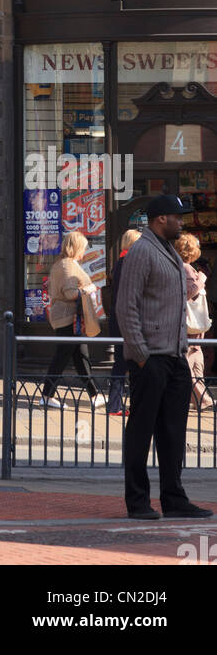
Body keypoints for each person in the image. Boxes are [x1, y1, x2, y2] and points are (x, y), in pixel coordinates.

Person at [116, 194, 213, 520]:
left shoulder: (168, 251)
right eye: (177, 217)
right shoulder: (142, 251)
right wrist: (141, 354)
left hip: (175, 356)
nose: (182, 222)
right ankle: (138, 501)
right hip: (152, 358)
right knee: (141, 431)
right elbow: (125, 306)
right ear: (161, 219)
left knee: (173, 432)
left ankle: (174, 498)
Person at [40, 231, 104, 408]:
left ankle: (94, 395)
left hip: (70, 318)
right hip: (69, 318)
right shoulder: (68, 265)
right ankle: (46, 396)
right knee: (63, 357)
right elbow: (70, 293)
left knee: (80, 357)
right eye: (82, 247)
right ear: (75, 247)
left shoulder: (63, 264)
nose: (84, 250)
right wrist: (89, 289)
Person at [176, 232, 215, 412]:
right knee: (190, 362)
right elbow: (190, 291)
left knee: (196, 360)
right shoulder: (186, 269)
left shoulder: (184, 267)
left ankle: (194, 399)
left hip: (192, 324)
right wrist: (202, 279)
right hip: (190, 324)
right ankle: (203, 399)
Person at [106, 229, 141, 415]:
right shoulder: (129, 262)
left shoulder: (120, 261)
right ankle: (116, 405)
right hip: (125, 320)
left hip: (118, 318)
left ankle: (116, 405)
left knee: (122, 361)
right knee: (125, 362)